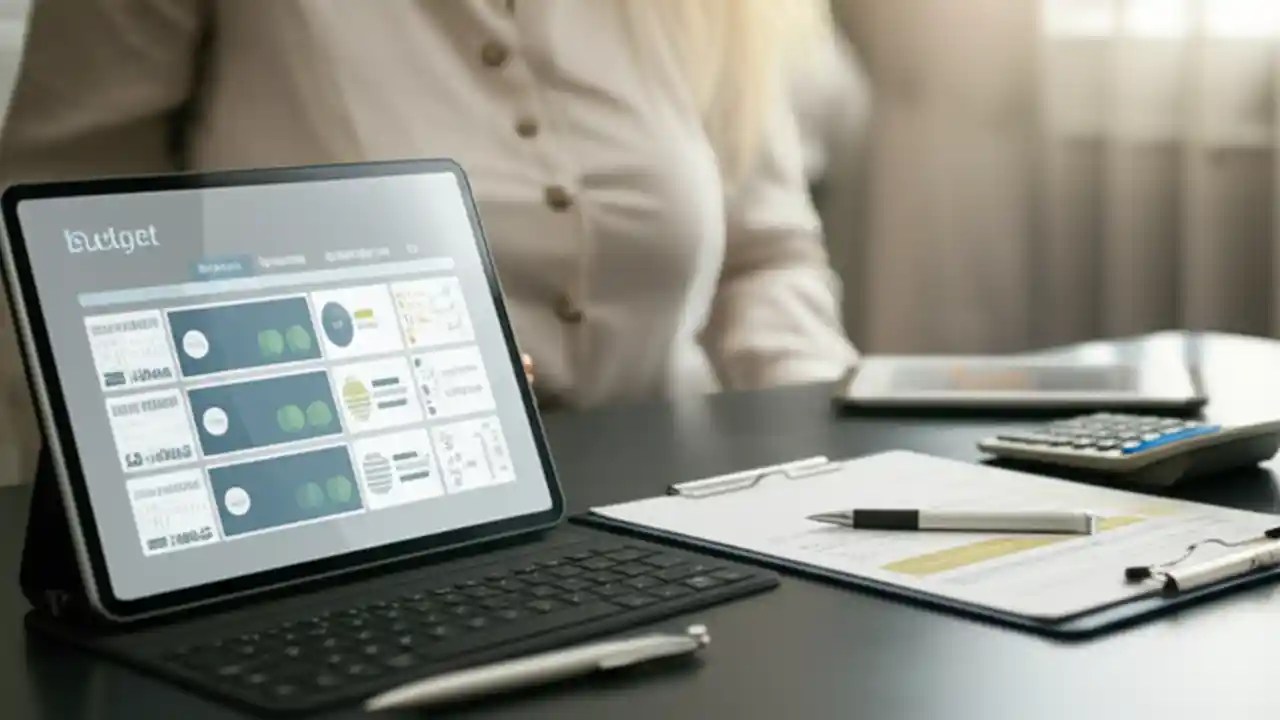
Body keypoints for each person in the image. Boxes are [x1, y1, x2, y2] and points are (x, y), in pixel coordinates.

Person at [0, 0, 858, 483]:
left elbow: (767, 256)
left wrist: (835, 469)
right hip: (343, 532)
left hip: (689, 519)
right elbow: (58, 246)